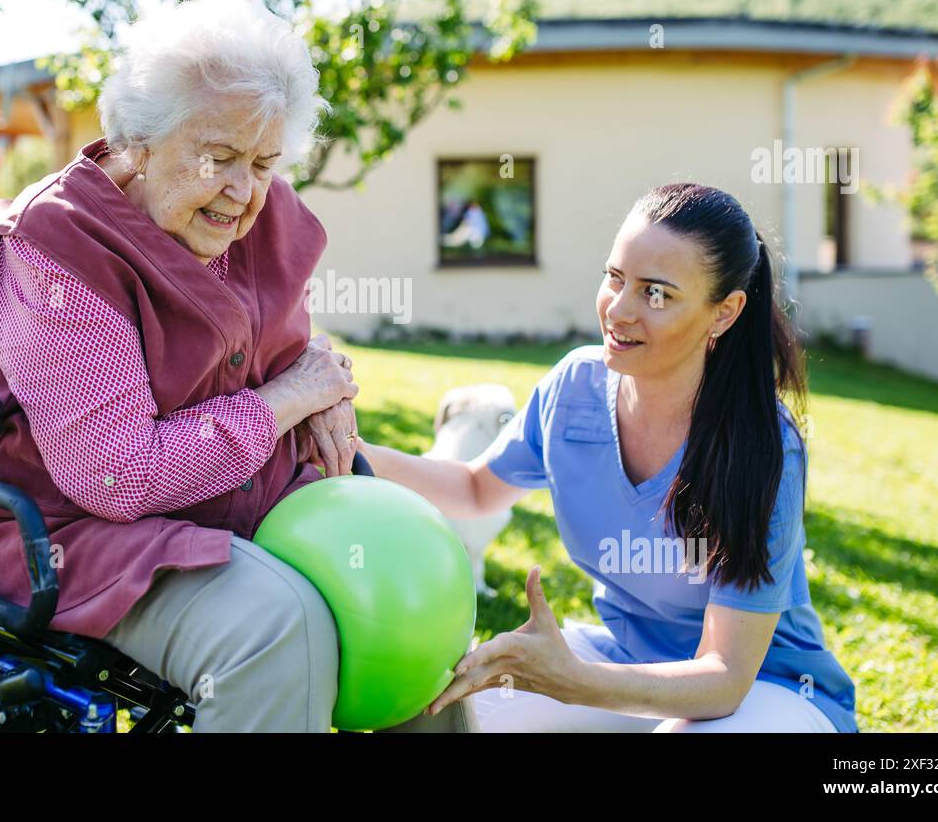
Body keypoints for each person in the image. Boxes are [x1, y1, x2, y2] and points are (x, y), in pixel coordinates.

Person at [0, 0, 476, 732]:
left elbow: (292, 356)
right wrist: (287, 401)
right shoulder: (58, 249)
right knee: (275, 629)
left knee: (417, 600)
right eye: (219, 158)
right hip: (76, 535)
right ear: (138, 141)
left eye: (264, 162)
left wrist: (323, 391)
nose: (244, 191)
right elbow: (118, 474)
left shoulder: (260, 216)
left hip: (251, 507)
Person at [360, 182, 857, 732]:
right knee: (434, 715)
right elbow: (476, 489)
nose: (618, 311)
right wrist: (350, 449)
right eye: (615, 278)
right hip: (624, 664)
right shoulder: (574, 387)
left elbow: (724, 677)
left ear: (725, 312)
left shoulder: (766, 447)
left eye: (657, 294)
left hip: (767, 693)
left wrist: (573, 682)